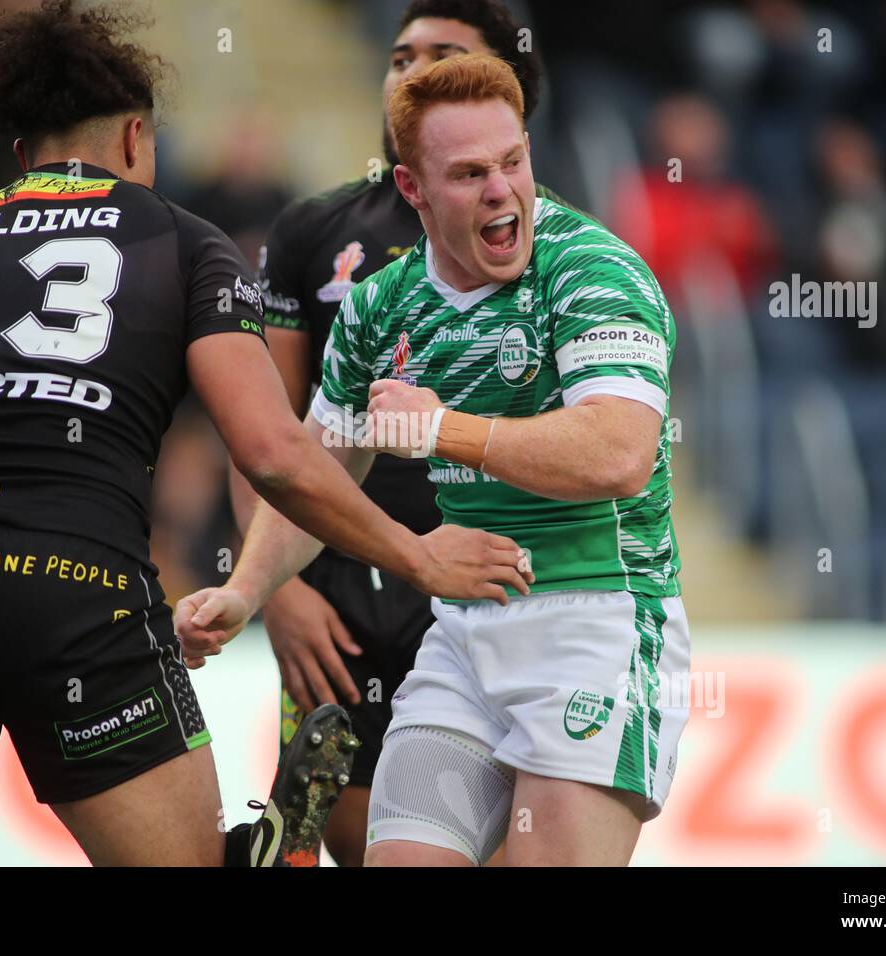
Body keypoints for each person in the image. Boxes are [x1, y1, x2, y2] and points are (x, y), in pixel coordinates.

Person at [0, 1, 529, 867]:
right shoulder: (183, 244)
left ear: (21, 152)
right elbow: (275, 455)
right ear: (136, 139)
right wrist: (421, 556)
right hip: (72, 591)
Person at [180, 53, 689, 867]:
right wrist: (246, 590)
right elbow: (319, 472)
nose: (501, 190)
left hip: (596, 627)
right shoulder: (381, 305)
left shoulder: (593, 269)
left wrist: (445, 428)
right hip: (460, 638)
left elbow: (620, 452)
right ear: (412, 190)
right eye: (468, 174)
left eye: (512, 162)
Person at [234, 0, 570, 867]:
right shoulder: (314, 231)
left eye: (443, 55)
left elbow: (609, 443)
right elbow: (268, 433)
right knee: (359, 842)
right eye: (398, 56)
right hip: (338, 581)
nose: (412, 73)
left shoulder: (556, 247)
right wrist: (273, 590)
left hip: (490, 578)